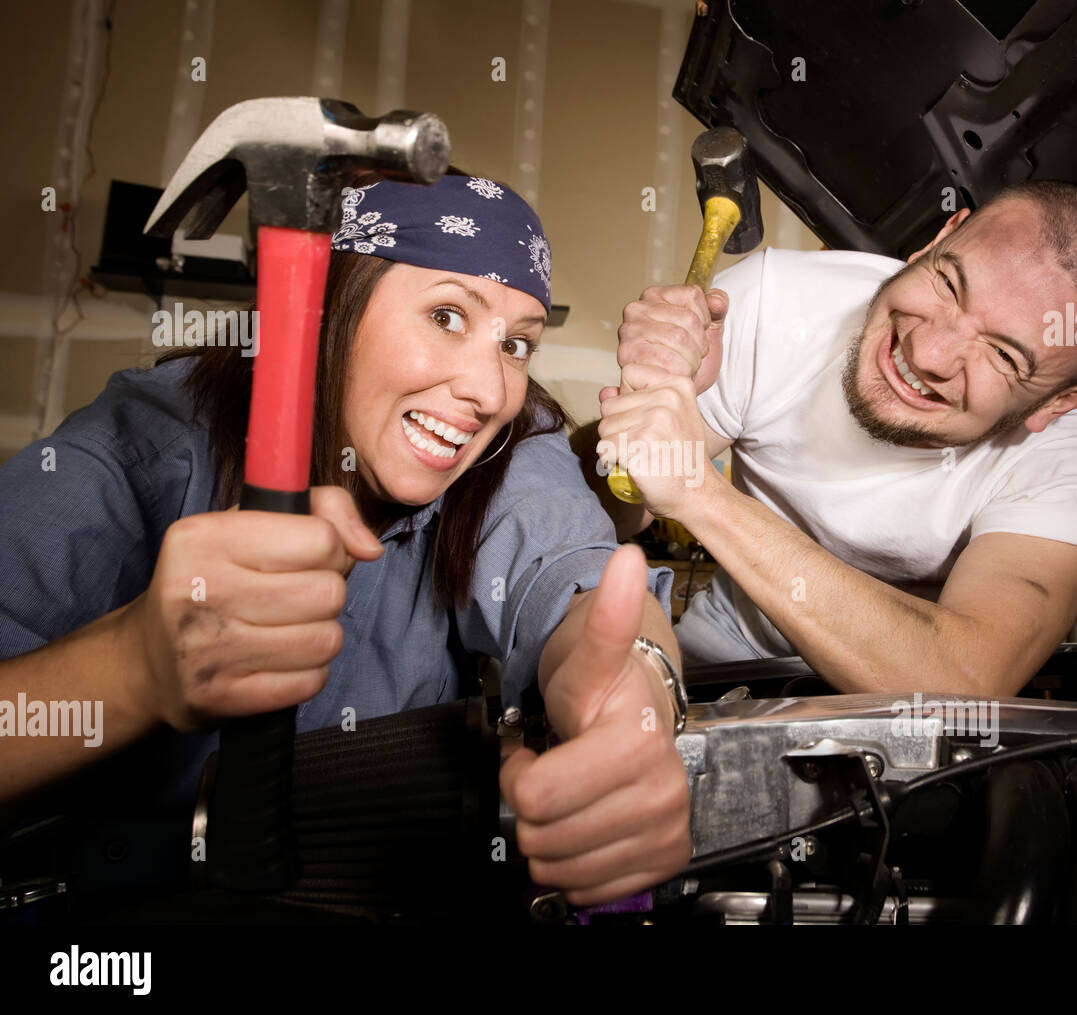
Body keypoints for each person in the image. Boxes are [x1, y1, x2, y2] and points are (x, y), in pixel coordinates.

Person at [0, 173, 692, 905]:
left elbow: (572, 579)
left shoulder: (508, 451)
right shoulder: (145, 446)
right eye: (449, 316)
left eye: (518, 343)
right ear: (330, 307)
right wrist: (134, 664)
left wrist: (633, 699)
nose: (490, 391)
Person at [578, 180, 1077, 698]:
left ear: (1056, 403)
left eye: (1002, 354)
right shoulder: (772, 302)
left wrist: (699, 492)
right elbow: (610, 511)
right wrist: (643, 405)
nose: (927, 354)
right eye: (949, 284)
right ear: (935, 240)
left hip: (905, 707)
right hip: (731, 648)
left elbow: (962, 680)